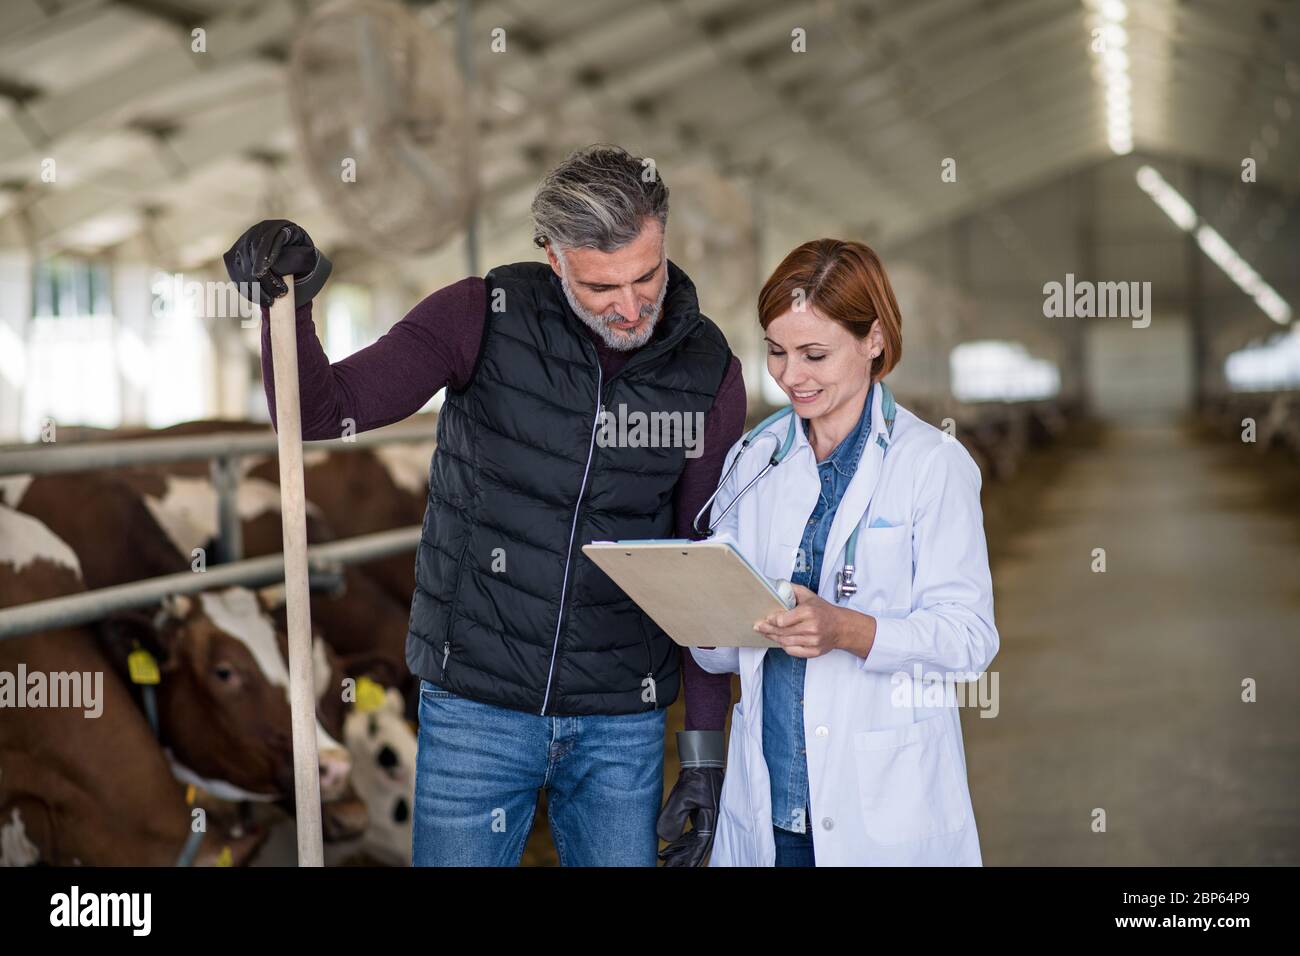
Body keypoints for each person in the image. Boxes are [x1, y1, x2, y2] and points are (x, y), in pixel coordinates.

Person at [225, 144, 746, 866]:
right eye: (600, 286)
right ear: (553, 257)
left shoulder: (709, 371)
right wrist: (293, 302)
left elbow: (701, 572)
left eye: (647, 275)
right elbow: (321, 412)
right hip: (477, 706)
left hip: (622, 717)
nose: (630, 307)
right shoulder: (480, 314)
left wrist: (704, 755)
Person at [691, 239, 999, 866]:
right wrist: (698, 605)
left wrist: (848, 630)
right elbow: (719, 651)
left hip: (880, 808)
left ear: (874, 341)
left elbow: (970, 640)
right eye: (776, 352)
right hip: (768, 806)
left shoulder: (930, 465)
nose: (790, 376)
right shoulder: (754, 459)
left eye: (814, 354)